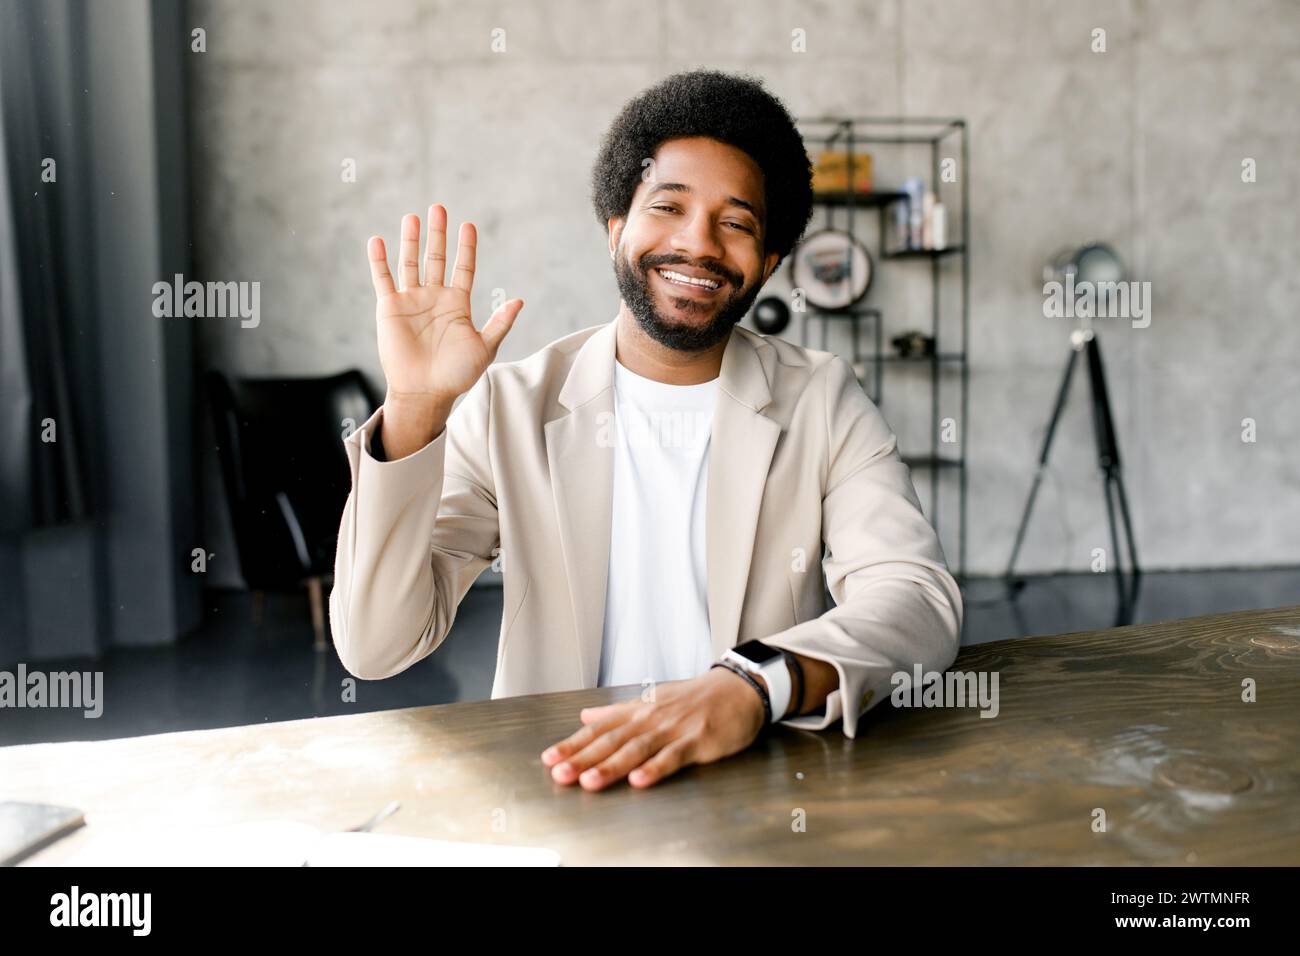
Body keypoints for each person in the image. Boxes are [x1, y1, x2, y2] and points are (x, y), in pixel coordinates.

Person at [330, 69, 962, 792]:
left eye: (736, 222)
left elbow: (914, 596)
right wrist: (415, 407)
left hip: (757, 779)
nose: (699, 244)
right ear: (615, 230)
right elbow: (376, 648)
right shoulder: (512, 407)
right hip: (563, 784)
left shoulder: (822, 398)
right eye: (668, 206)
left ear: (770, 263)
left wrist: (752, 687)